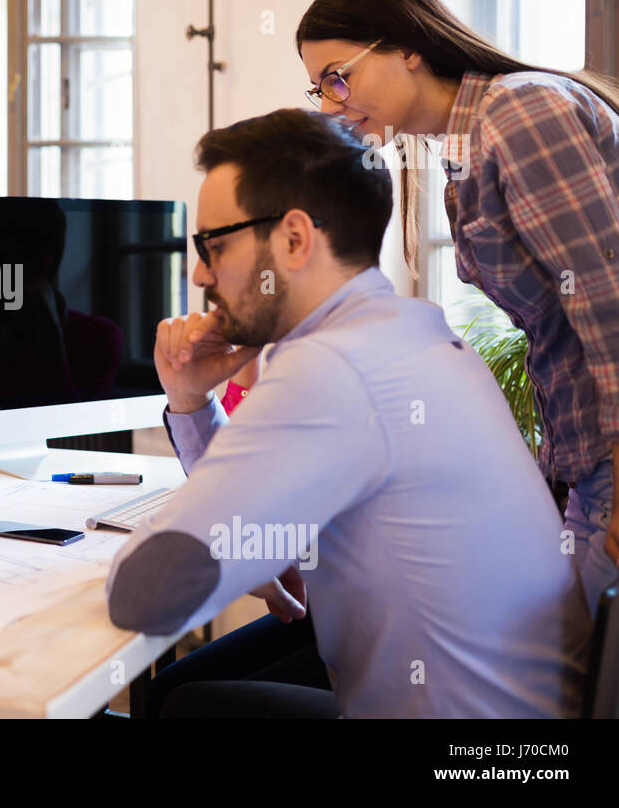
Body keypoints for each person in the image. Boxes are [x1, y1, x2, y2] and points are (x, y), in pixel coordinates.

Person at [105, 108, 591, 718]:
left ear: (294, 239)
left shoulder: (334, 369)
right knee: (187, 684)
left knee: (184, 705)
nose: (200, 272)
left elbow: (143, 596)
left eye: (216, 244)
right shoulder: (412, 334)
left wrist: (219, 535)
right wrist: (192, 402)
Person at [297, 0, 619, 614]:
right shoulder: (461, 150)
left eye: (339, 76)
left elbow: (611, 310)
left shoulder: (519, 115)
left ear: (408, 46)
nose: (332, 104)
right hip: (586, 468)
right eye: (318, 90)